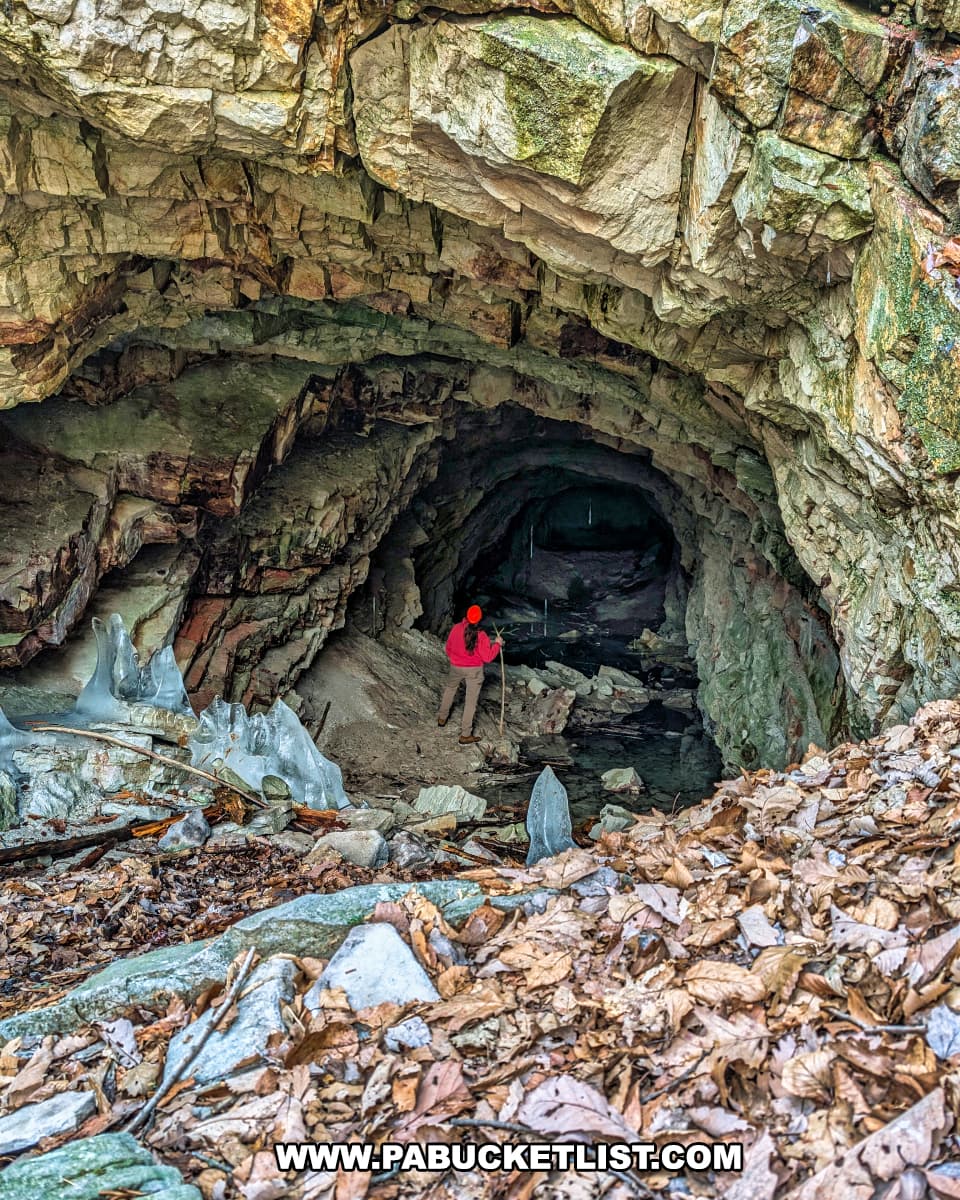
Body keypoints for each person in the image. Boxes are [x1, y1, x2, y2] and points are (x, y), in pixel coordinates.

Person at [437, 605, 503, 744]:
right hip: (474, 671)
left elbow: (448, 648)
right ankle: (465, 735)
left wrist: (456, 659)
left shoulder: (456, 628)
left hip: (456, 667)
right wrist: (497, 644)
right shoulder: (481, 635)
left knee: (450, 690)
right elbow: (487, 657)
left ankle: (442, 718)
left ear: (466, 616)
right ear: (480, 619)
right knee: (470, 701)